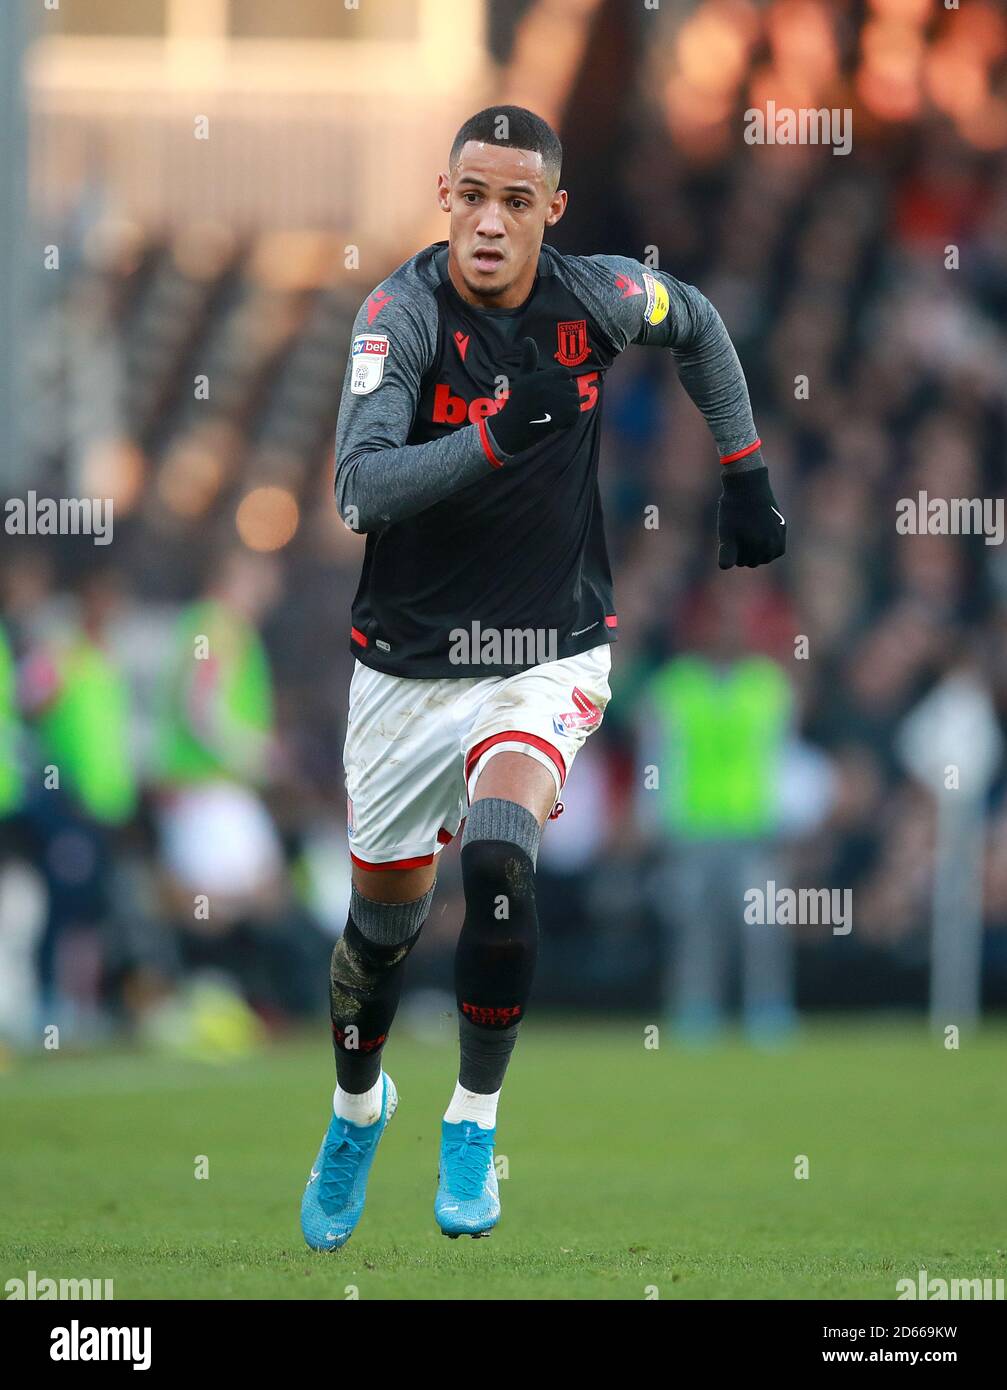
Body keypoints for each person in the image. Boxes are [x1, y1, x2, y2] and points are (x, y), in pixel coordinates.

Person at [301, 105, 786, 1250]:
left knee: (501, 857)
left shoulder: (602, 299)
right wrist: (490, 439)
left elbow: (701, 322)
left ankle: (473, 1122)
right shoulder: (398, 317)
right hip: (405, 671)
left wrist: (744, 470)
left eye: (516, 201)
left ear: (550, 213)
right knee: (378, 938)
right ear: (443, 195)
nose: (489, 221)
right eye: (472, 194)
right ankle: (357, 1107)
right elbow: (358, 491)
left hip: (546, 652)